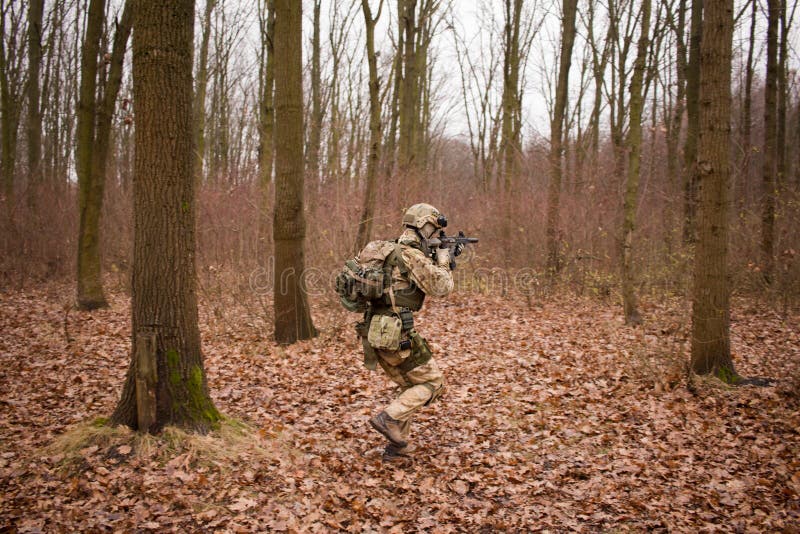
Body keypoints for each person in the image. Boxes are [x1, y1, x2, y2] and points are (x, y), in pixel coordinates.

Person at [358, 203, 455, 461]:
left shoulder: (384, 249)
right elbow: (442, 287)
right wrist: (444, 261)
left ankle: (397, 449)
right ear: (423, 226)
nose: (433, 235)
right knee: (432, 383)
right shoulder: (411, 256)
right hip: (396, 333)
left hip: (374, 331)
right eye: (432, 229)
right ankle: (387, 418)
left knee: (409, 385)